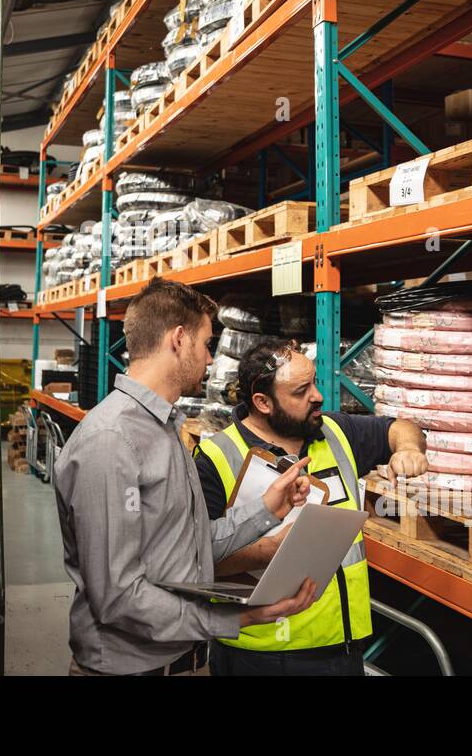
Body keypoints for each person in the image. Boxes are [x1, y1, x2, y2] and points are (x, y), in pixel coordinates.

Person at [53, 279, 319, 676]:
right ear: (178, 339)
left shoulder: (163, 428)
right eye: (207, 343)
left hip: (179, 661)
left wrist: (267, 510)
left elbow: (189, 545)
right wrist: (237, 620)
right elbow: (117, 596)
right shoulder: (112, 441)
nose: (211, 360)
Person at [195, 337, 428, 676]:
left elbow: (400, 428)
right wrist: (272, 550)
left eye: (315, 383)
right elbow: (197, 561)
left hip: (342, 646)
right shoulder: (215, 459)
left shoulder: (335, 431)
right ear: (263, 402)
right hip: (262, 655)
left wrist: (408, 448)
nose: (317, 395)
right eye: (301, 391)